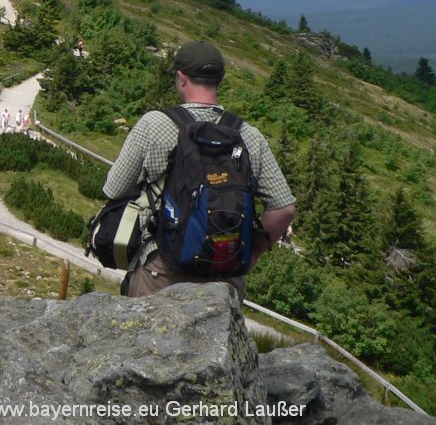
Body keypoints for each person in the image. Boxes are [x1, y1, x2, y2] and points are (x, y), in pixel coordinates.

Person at [103, 41, 296, 300]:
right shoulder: (248, 136)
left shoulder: (154, 125)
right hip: (223, 279)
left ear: (182, 78)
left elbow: (115, 189)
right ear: (220, 80)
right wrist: (253, 253)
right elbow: (284, 209)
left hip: (161, 272)